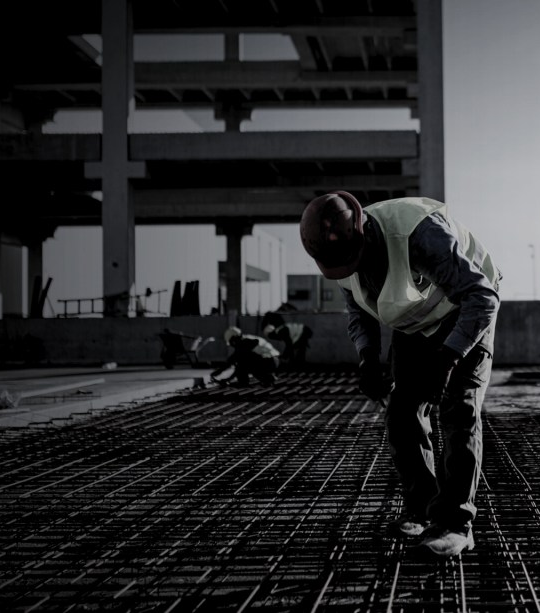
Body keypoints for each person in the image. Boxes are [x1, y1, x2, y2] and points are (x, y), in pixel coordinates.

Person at [299, 191, 501, 558]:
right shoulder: (339, 257)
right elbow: (358, 311)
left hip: (467, 309)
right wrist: (367, 357)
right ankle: (423, 512)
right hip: (416, 319)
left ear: (364, 233)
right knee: (402, 412)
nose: (353, 268)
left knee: (458, 410)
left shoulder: (420, 234)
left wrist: (448, 358)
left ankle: (456, 524)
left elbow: (481, 298)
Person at [210, 326, 280, 387]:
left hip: (268, 361)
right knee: (247, 362)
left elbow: (234, 362)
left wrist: (220, 374)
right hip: (274, 361)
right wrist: (225, 377)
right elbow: (234, 362)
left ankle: (244, 383)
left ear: (234, 338)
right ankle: (267, 379)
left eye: (231, 342)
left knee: (244, 361)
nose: (232, 345)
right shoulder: (246, 339)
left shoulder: (244, 343)